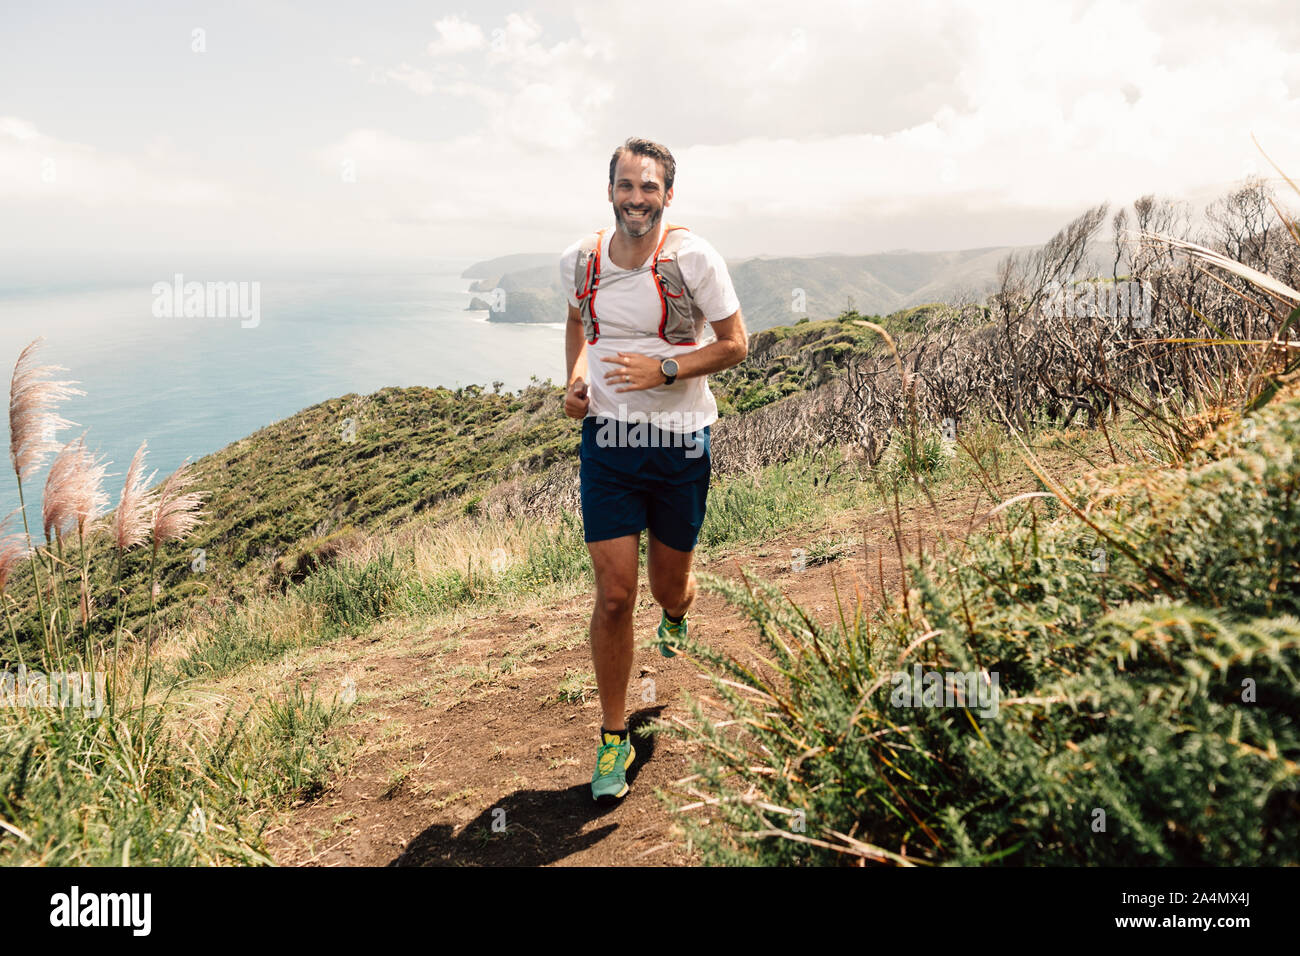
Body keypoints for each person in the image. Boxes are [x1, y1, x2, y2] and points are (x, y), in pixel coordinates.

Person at [559, 137, 748, 802]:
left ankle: (678, 611)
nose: (636, 199)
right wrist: (575, 382)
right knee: (614, 595)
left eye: (649, 188)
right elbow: (579, 321)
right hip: (607, 443)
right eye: (625, 186)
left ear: (668, 195)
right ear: (609, 190)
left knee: (670, 587)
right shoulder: (581, 260)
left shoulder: (693, 257)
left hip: (680, 443)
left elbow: (735, 345)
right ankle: (614, 738)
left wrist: (664, 367)